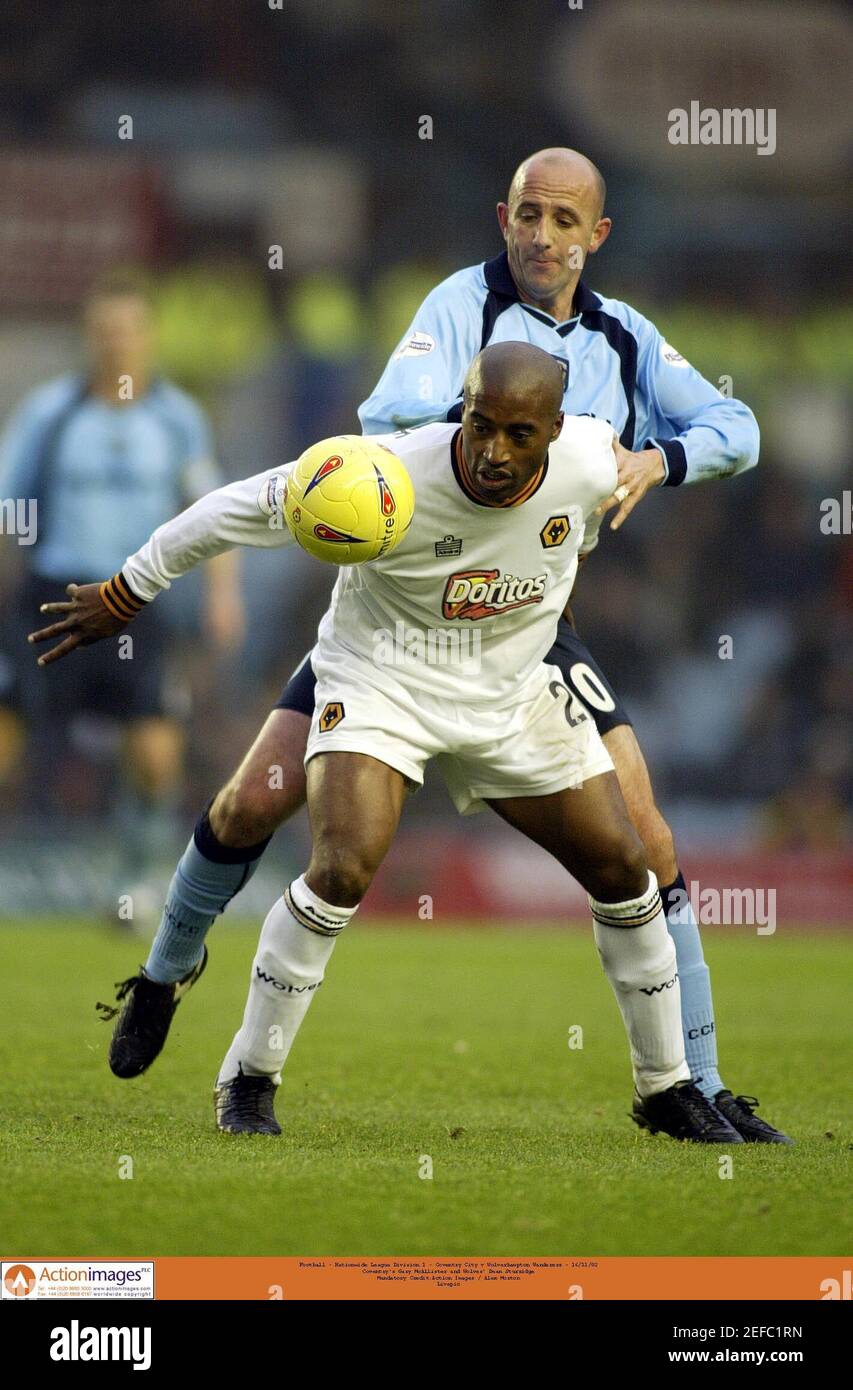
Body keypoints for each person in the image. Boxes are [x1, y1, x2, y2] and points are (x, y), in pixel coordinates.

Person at [32, 153, 791, 1142]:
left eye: (566, 219)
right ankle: (178, 989)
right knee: (267, 810)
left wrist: (659, 457)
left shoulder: (608, 393)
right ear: (504, 217)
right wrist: (130, 588)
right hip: (389, 639)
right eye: (529, 213)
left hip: (523, 640)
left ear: (595, 236)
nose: (544, 233)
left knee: (636, 848)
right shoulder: (438, 360)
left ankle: (689, 1083)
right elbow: (333, 453)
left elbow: (736, 429)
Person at [0, 272, 243, 907]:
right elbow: (9, 501)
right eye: (106, 330)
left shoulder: (177, 419)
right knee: (6, 735)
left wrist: (223, 594)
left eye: (130, 329)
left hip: (135, 596)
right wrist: (17, 566)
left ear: (148, 337)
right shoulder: (50, 413)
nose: (118, 343)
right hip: (54, 592)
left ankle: (135, 880)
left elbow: (213, 510)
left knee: (157, 752)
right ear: (89, 337)